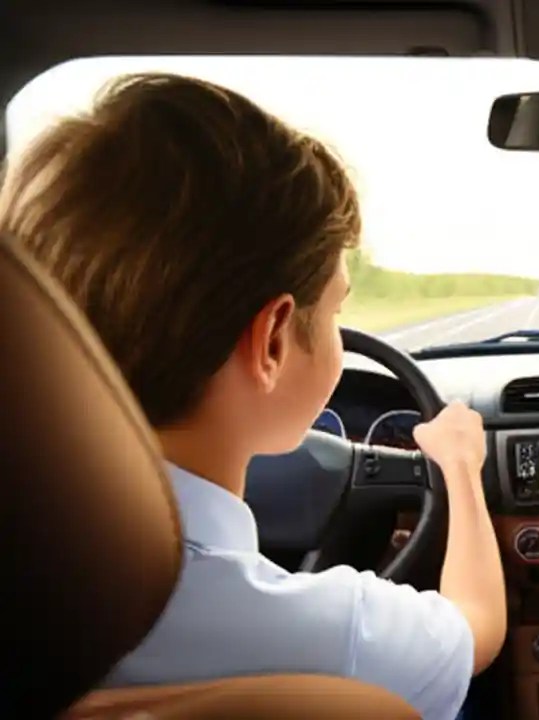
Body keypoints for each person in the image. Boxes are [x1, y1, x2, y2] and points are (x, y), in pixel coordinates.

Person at [0, 73, 504, 720]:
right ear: (270, 341)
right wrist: (459, 469)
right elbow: (478, 628)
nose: (338, 340)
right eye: (335, 313)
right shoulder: (329, 635)